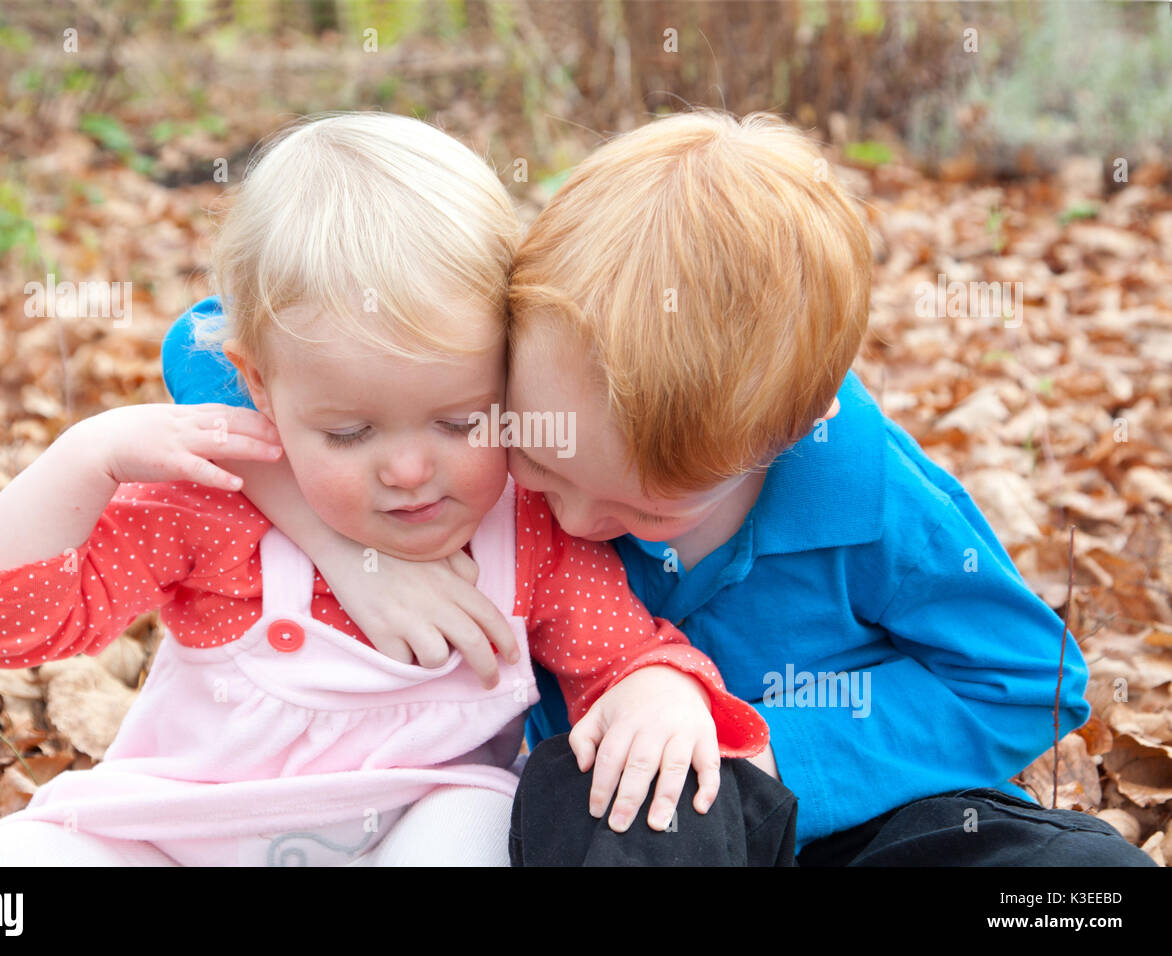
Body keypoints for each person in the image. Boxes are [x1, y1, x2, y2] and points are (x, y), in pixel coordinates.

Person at [171, 109, 1154, 867]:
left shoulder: (865, 491)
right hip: (637, 810)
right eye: (546, 467)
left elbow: (1028, 678)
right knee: (616, 812)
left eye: (645, 508)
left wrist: (768, 751)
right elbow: (209, 344)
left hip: (864, 817)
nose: (575, 520)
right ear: (512, 339)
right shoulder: (504, 385)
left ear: (781, 437)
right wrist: (351, 551)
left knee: (1076, 882)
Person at [0, 112, 776, 868]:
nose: (408, 470)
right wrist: (82, 458)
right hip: (175, 833)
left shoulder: (526, 533)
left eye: (460, 421)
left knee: (476, 826)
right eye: (348, 433)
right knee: (18, 858)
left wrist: (659, 687)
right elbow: (5, 628)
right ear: (259, 387)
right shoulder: (215, 499)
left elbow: (622, 654)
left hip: (414, 825)